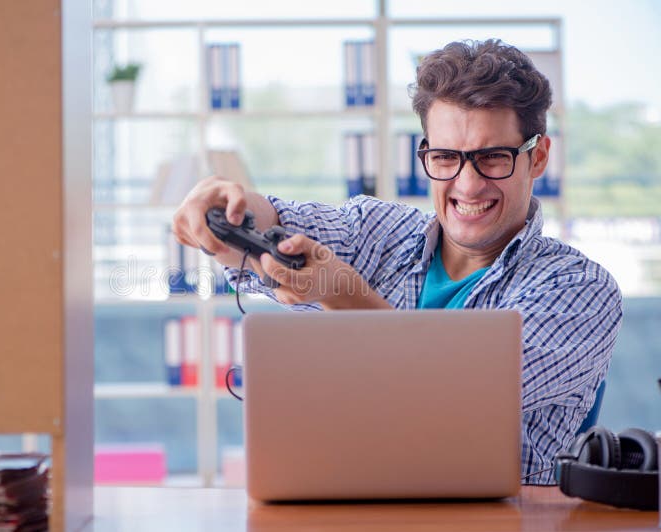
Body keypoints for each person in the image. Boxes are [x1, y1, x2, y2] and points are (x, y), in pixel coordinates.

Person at [172, 39, 622, 484]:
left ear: (537, 157)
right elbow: (278, 220)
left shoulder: (580, 289)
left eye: (491, 158)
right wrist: (224, 207)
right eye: (445, 157)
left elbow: (446, 398)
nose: (467, 185)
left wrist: (342, 295)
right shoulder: (378, 231)